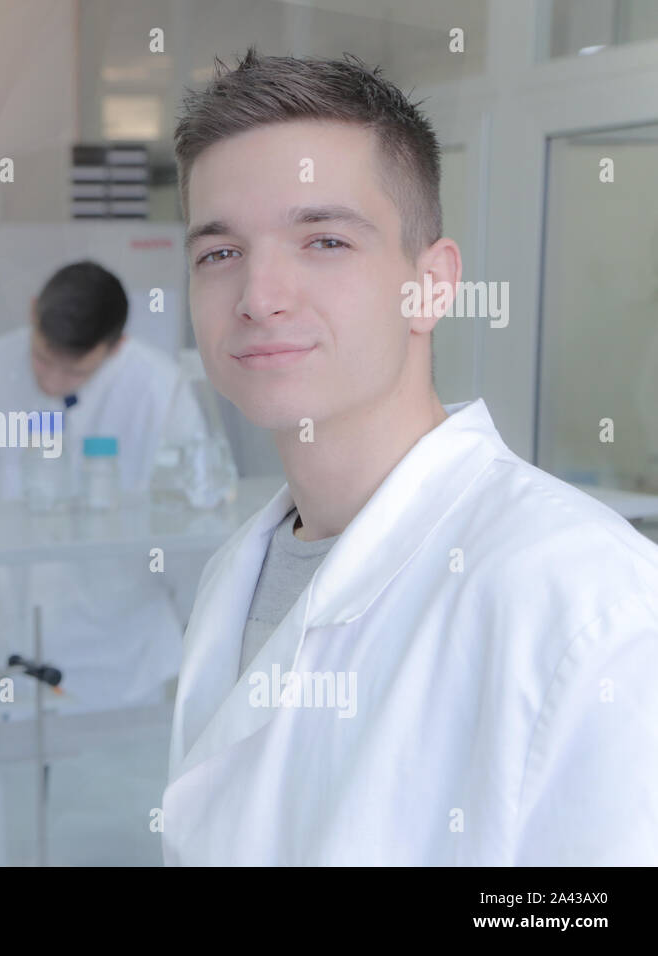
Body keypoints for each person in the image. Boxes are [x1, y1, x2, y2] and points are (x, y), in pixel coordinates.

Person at [163, 48, 658, 865]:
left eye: (324, 240)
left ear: (431, 285)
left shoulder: (583, 601)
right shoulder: (236, 571)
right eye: (219, 254)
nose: (258, 296)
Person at [0, 261, 207, 710]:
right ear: (33, 312)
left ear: (116, 348)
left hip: (116, 653)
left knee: (103, 775)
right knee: (0, 768)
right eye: (41, 359)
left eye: (75, 373)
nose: (52, 382)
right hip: (6, 631)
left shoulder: (157, 388)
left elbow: (187, 532)